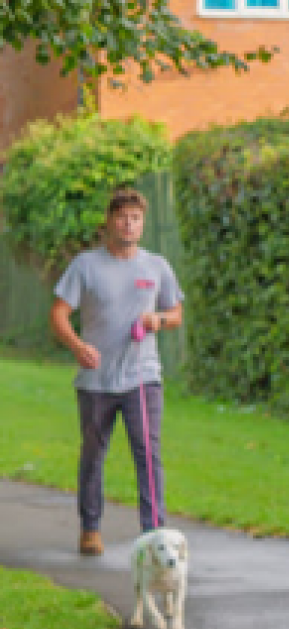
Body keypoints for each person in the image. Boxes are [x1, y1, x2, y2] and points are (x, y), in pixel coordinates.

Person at [50, 186, 184, 556]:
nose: (129, 224)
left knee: (147, 452)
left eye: (136, 218)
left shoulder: (156, 266)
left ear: (142, 224)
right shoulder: (86, 266)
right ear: (109, 222)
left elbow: (176, 314)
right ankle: (90, 529)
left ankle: (153, 532)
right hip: (95, 382)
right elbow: (59, 314)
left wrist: (158, 319)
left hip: (143, 379)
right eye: (122, 217)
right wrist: (77, 346)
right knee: (94, 453)